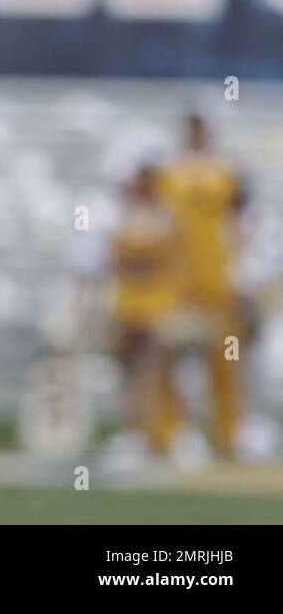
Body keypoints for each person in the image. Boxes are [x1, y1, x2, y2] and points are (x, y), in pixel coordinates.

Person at [157, 114, 245, 458]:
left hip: (217, 280)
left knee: (226, 355)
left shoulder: (226, 170)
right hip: (178, 280)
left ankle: (228, 434)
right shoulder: (169, 171)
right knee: (170, 357)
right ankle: (168, 433)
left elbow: (240, 221)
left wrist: (240, 270)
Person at [110, 164, 182, 457]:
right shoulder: (125, 214)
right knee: (130, 371)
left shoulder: (165, 215)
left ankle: (166, 432)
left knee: (157, 370)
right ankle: (133, 433)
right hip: (129, 302)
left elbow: (171, 261)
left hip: (156, 302)